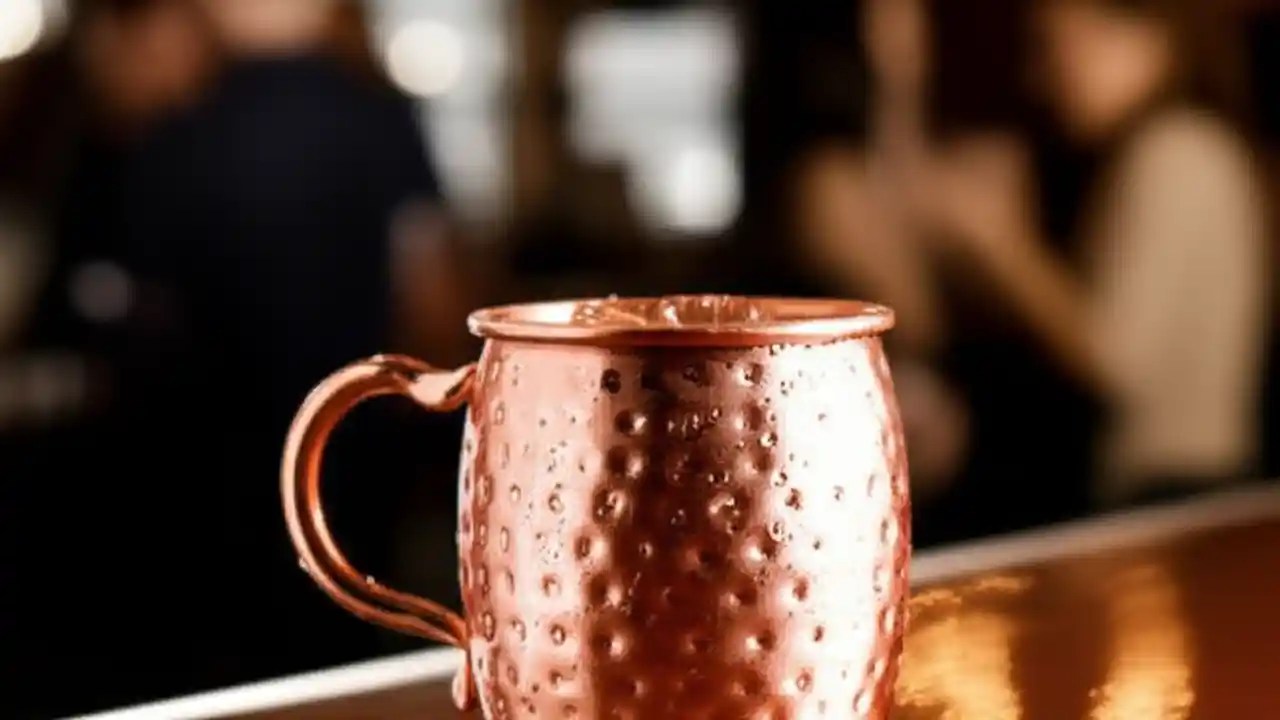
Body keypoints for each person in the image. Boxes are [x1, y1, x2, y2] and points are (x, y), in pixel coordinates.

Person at [929, 0, 1269, 508]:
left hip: (1175, 493)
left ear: (1137, 33)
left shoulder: (1174, 150)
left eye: (1053, 47)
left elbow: (1115, 357)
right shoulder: (1177, 145)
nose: (1039, 78)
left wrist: (1002, 241)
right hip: (1181, 490)